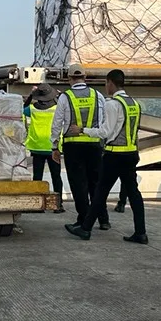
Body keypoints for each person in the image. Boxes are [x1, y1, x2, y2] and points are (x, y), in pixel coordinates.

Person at [64, 69, 147, 244]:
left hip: (114, 155)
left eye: (106, 83)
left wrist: (82, 130)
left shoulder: (112, 104)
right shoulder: (134, 104)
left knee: (100, 193)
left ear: (110, 83)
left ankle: (85, 229)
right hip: (131, 154)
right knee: (134, 194)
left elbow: (105, 132)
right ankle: (141, 232)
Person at [51, 65, 110, 232]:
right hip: (94, 144)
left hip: (73, 146)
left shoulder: (65, 97)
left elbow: (57, 123)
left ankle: (84, 220)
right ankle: (103, 219)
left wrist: (54, 146)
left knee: (79, 184)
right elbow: (104, 120)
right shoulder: (97, 95)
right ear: (85, 77)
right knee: (96, 184)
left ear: (69, 78)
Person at [23, 84, 65, 213]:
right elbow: (66, 107)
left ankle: (38, 205)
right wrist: (60, 95)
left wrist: (31, 95)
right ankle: (58, 205)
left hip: (37, 147)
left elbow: (23, 108)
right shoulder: (56, 108)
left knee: (37, 177)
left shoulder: (32, 109)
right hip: (53, 147)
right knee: (56, 176)